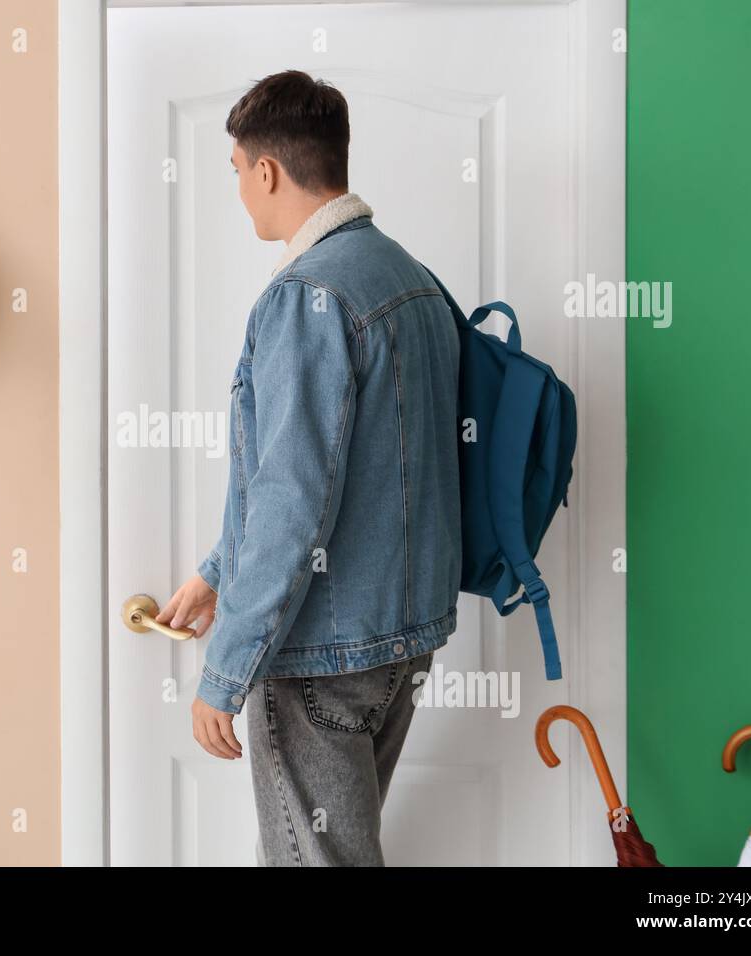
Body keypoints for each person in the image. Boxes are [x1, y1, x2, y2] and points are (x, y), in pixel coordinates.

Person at [156, 70, 462, 867]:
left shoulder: (305, 295)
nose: (240, 192)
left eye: (236, 173)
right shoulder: (411, 280)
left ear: (266, 170)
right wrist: (222, 567)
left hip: (321, 655)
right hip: (402, 640)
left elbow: (296, 502)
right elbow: (350, 463)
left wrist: (224, 671)